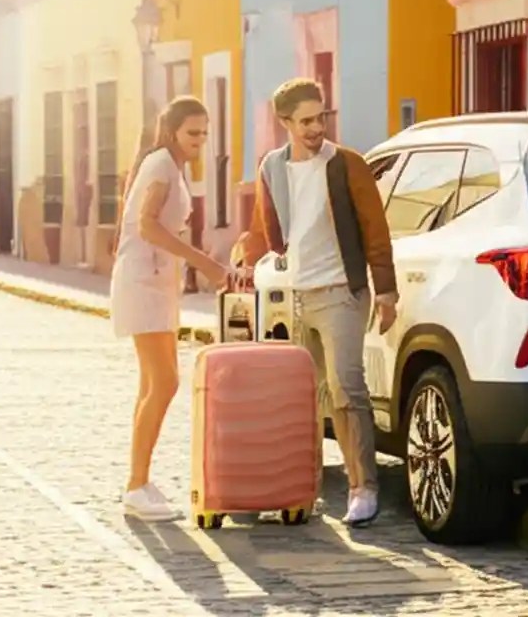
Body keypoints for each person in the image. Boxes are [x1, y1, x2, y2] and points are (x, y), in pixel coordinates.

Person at [242, 77, 397, 527]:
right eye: (306, 120)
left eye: (322, 117)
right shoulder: (272, 167)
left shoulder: (346, 164)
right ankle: (299, 487)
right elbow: (264, 232)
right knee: (305, 396)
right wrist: (242, 261)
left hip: (341, 293)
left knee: (347, 389)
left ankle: (362, 487)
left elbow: (375, 227)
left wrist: (385, 290)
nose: (316, 127)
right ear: (285, 122)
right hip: (295, 296)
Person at [110, 95, 232, 521]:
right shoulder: (161, 164)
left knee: (153, 383)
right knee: (164, 382)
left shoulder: (168, 165)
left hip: (157, 284)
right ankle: (136, 485)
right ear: (173, 131)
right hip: (143, 282)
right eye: (192, 133)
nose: (199, 140)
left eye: (204, 132)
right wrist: (207, 263)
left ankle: (139, 482)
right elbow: (146, 223)